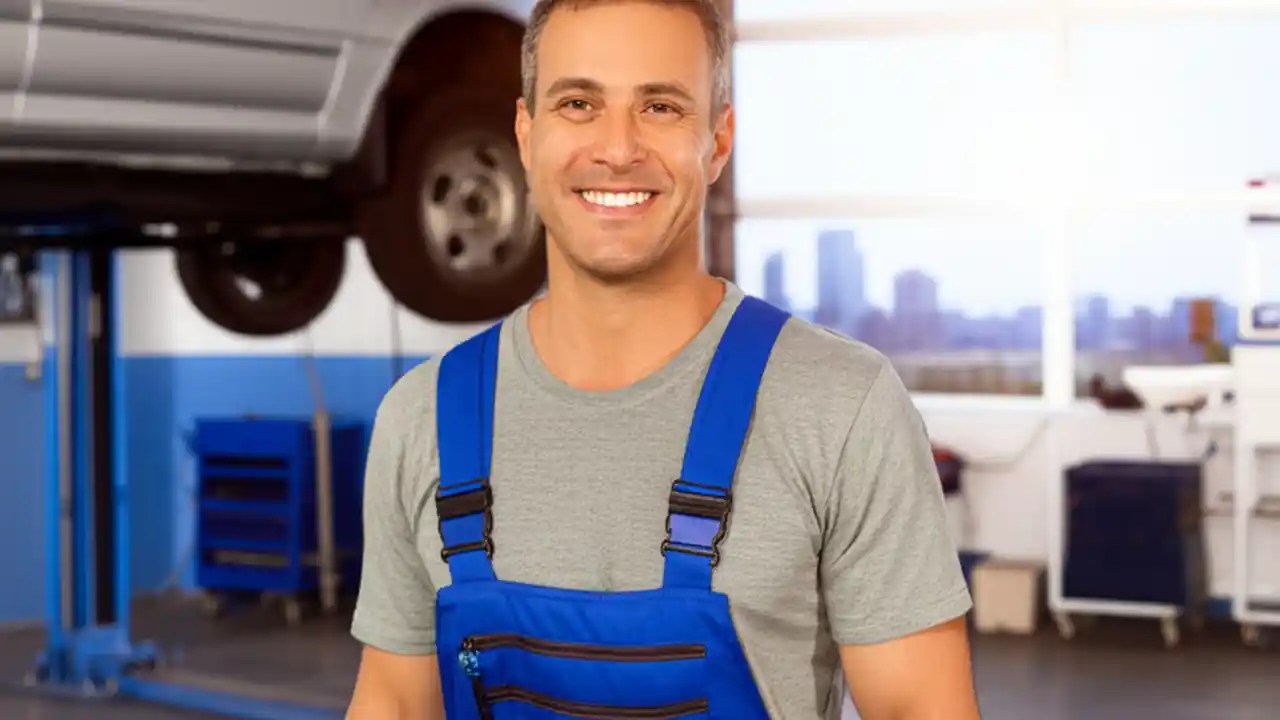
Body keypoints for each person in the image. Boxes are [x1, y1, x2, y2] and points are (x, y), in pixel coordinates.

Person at [345, 0, 981, 718]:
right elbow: (394, 700)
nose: (618, 148)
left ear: (718, 140)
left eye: (661, 107)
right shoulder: (421, 417)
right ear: (526, 134)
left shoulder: (839, 405)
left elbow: (920, 708)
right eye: (579, 102)